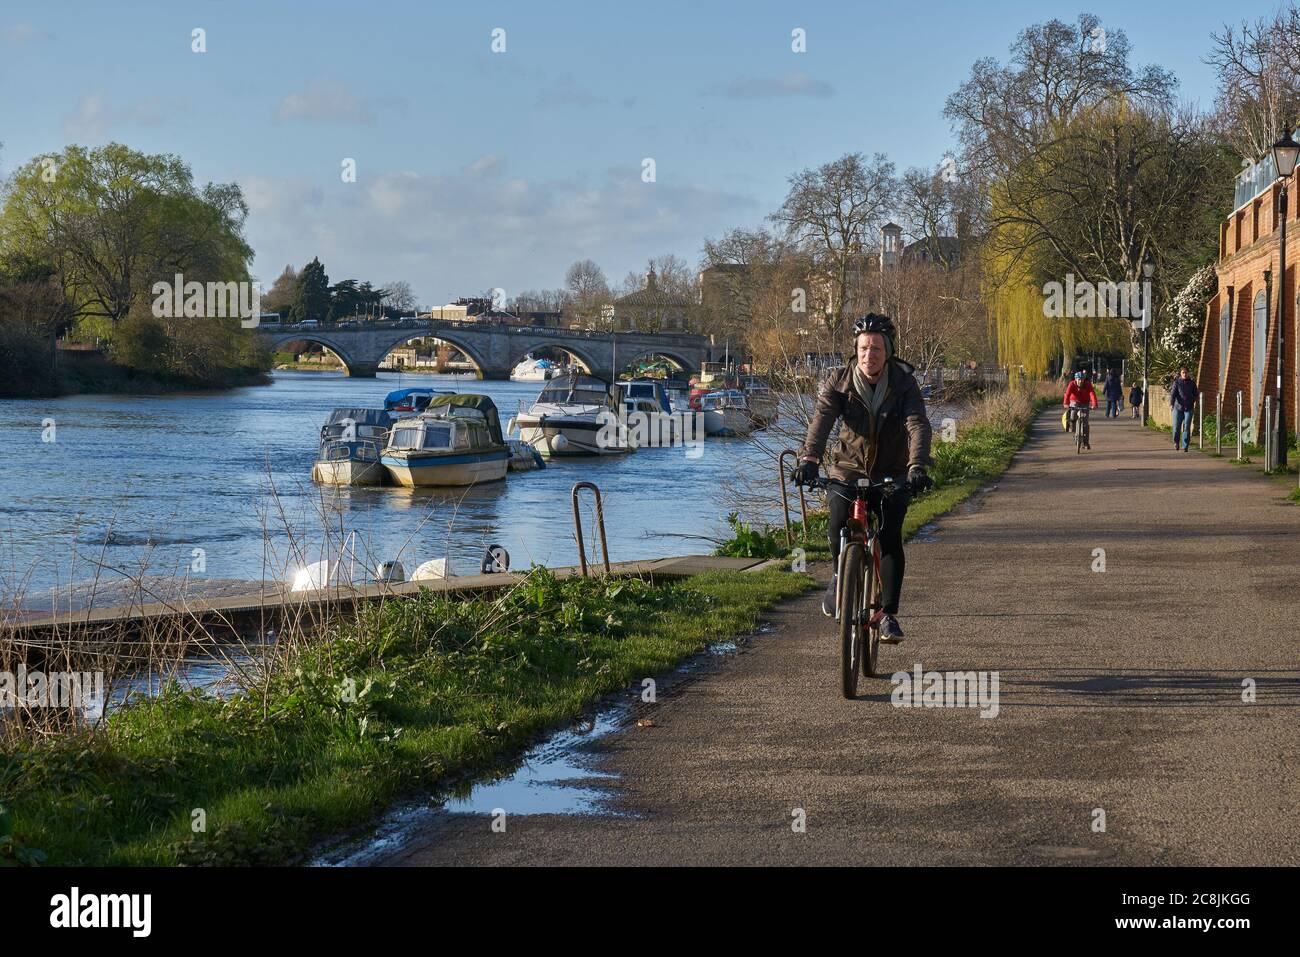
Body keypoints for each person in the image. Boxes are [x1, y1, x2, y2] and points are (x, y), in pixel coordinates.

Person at [792, 314, 933, 641]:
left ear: (889, 351)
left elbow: (917, 425)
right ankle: (839, 574)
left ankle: (888, 614)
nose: (870, 354)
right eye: (864, 348)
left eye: (877, 348)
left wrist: (916, 467)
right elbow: (822, 420)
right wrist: (809, 459)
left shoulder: (903, 383)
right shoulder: (839, 381)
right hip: (848, 469)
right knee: (838, 519)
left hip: (892, 473)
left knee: (889, 535)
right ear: (856, 350)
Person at [1063, 370, 1098, 444]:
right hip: (1074, 401)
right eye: (1079, 379)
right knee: (1073, 414)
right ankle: (1072, 426)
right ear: (1075, 379)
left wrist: (1094, 404)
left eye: (1082, 379)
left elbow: (1092, 394)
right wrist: (1066, 403)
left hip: (1085, 402)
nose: (1080, 381)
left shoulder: (1087, 384)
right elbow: (1067, 394)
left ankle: (1085, 443)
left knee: (1085, 423)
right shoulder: (1072, 384)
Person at [1170, 366, 1199, 451]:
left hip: (1189, 408)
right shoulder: (1177, 382)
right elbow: (1173, 394)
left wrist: (1193, 400)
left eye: (1186, 372)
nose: (1185, 374)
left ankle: (1185, 445)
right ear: (1180, 373)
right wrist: (1171, 404)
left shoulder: (1192, 383)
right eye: (1183, 372)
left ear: (1188, 373)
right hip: (1178, 408)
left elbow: (1196, 394)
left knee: (1186, 427)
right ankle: (1176, 442)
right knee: (1176, 427)